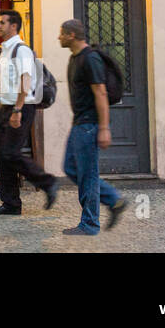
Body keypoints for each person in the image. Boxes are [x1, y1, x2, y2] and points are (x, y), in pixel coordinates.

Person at [58, 19, 127, 236]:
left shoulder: (90, 59)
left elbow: (101, 93)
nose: (58, 38)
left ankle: (90, 223)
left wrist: (104, 128)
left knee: (87, 173)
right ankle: (113, 200)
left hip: (89, 124)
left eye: (61, 34)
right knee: (71, 167)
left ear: (71, 35)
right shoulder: (74, 58)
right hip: (79, 122)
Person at [0, 10, 58, 217]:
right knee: (1, 155)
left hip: (21, 106)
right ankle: (10, 203)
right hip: (5, 105)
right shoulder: (5, 50)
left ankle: (47, 182)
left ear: (14, 26)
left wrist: (17, 109)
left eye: (2, 23)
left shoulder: (21, 50)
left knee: (11, 152)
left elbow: (25, 82)